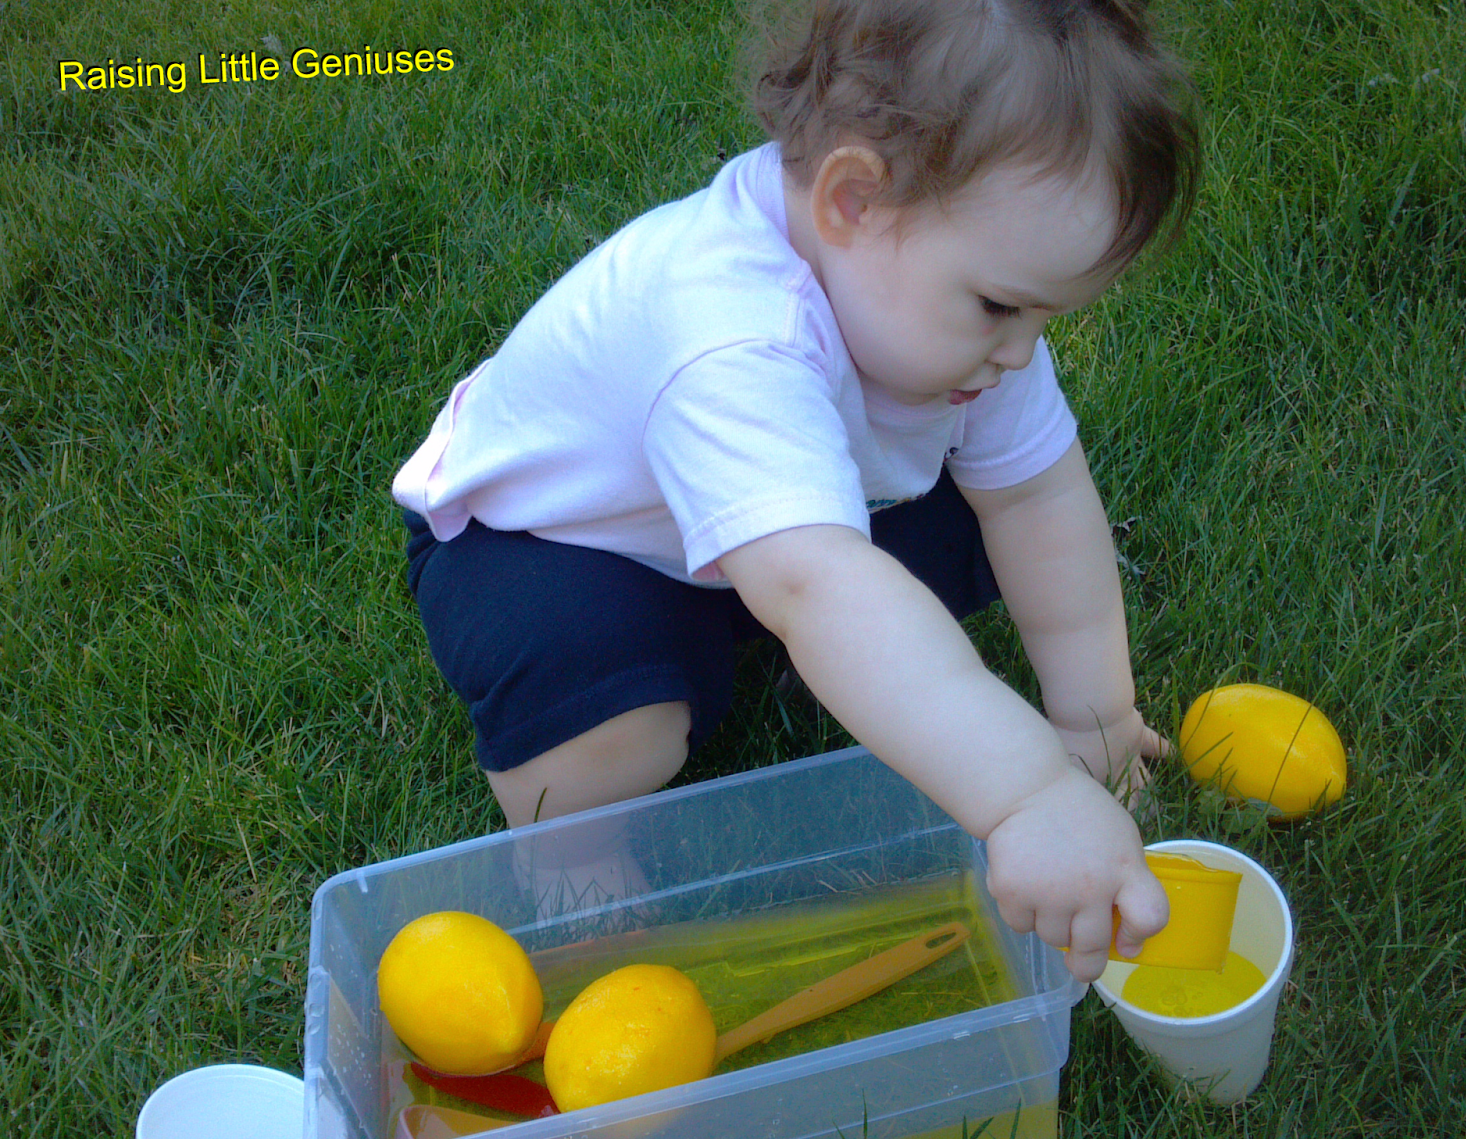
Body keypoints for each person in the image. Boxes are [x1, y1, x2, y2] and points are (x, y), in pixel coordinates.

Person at [394, 0, 1199, 983]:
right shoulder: (730, 336)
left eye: (1044, 312)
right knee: (605, 708)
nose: (1022, 349)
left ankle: (801, 651)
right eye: (998, 304)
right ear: (853, 201)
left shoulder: (950, 314)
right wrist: (1025, 791)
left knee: (989, 527)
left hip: (758, 535)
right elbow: (817, 582)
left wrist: (1092, 722)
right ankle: (569, 846)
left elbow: (1038, 500)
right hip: (547, 547)